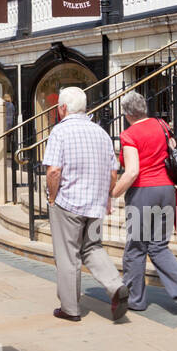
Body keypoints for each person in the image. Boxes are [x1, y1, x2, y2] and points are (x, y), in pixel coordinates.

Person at [42, 86, 129, 323]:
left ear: (62, 108)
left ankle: (70, 308)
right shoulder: (100, 132)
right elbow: (113, 172)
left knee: (68, 254)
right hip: (95, 202)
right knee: (92, 247)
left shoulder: (60, 132)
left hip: (68, 202)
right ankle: (115, 285)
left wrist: (52, 197)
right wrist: (107, 197)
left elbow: (54, 171)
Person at [112, 91, 177, 315]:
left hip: (143, 192)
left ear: (127, 114)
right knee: (159, 246)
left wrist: (114, 192)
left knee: (136, 247)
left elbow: (131, 172)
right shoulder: (162, 125)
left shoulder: (129, 135)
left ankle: (135, 299)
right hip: (167, 191)